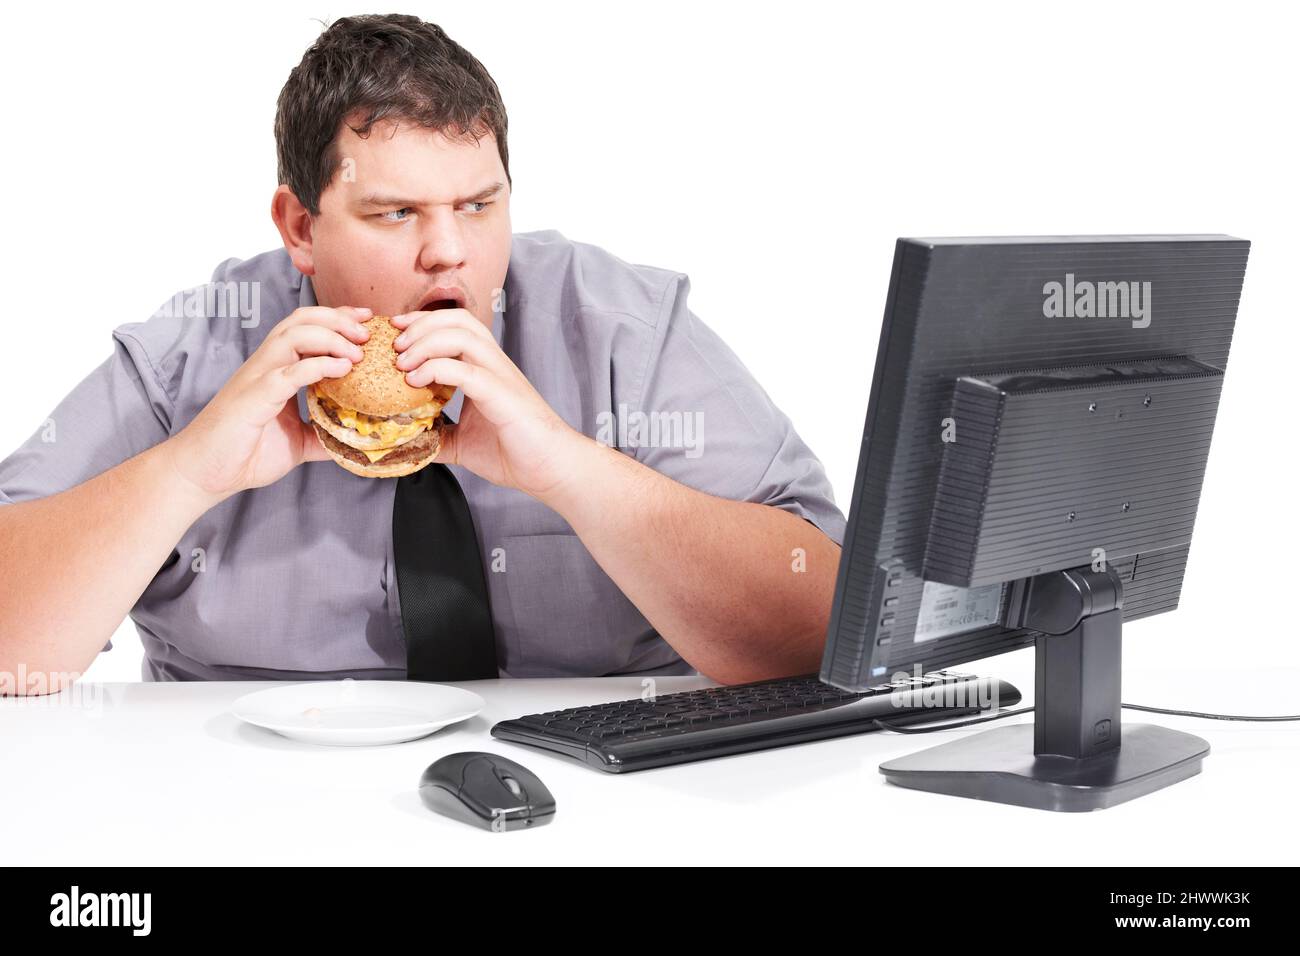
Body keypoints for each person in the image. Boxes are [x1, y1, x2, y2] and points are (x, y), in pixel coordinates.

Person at [0, 14, 845, 694]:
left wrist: (570, 471)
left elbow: (824, 627)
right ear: (300, 227)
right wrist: (188, 475)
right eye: (396, 214)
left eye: (479, 205)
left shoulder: (623, 329)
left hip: (596, 806)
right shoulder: (191, 356)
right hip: (249, 804)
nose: (450, 252)